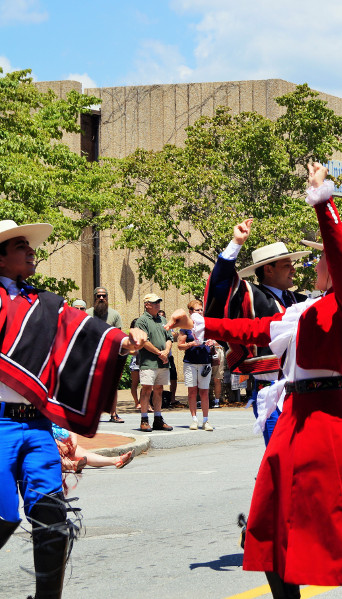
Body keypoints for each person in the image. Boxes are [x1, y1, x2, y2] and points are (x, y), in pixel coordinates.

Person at [165, 163, 342, 599]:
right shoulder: (305, 309)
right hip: (295, 419)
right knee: (269, 536)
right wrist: (201, 323)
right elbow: (255, 330)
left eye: (320, 258)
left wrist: (324, 202)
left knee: (338, 533)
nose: (313, 263)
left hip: (324, 424)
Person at [0, 219, 146, 599]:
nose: (32, 251)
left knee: (52, 518)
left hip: (36, 425)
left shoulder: (45, 303)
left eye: (30, 247)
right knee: (2, 517)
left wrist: (124, 342)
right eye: (20, 246)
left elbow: (84, 330)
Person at [203, 219, 310, 445]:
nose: (293, 269)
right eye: (286, 265)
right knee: (280, 458)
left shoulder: (299, 300)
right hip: (270, 391)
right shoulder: (249, 295)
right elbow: (219, 287)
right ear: (268, 270)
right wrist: (236, 244)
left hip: (301, 392)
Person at [135, 294, 175, 432]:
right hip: (149, 362)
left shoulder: (163, 319)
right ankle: (144, 420)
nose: (158, 304)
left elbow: (169, 338)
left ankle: (158, 418)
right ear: (147, 305)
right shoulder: (141, 321)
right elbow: (144, 341)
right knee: (147, 389)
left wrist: (166, 351)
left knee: (159, 389)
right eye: (154, 302)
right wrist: (160, 353)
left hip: (162, 362)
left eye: (158, 302)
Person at [87, 286, 126, 422]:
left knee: (112, 386)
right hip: (92, 356)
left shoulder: (114, 315)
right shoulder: (87, 314)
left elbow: (119, 337)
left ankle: (113, 413)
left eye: (104, 296)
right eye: (99, 296)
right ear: (95, 297)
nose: (102, 298)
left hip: (111, 356)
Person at [178, 299, 216, 431]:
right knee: (192, 392)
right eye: (197, 310)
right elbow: (180, 346)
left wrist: (212, 344)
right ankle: (194, 420)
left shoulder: (206, 325)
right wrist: (191, 344)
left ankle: (206, 421)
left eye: (201, 309)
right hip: (190, 363)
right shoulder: (186, 326)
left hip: (205, 362)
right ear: (190, 312)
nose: (200, 312)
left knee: (204, 392)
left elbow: (215, 342)